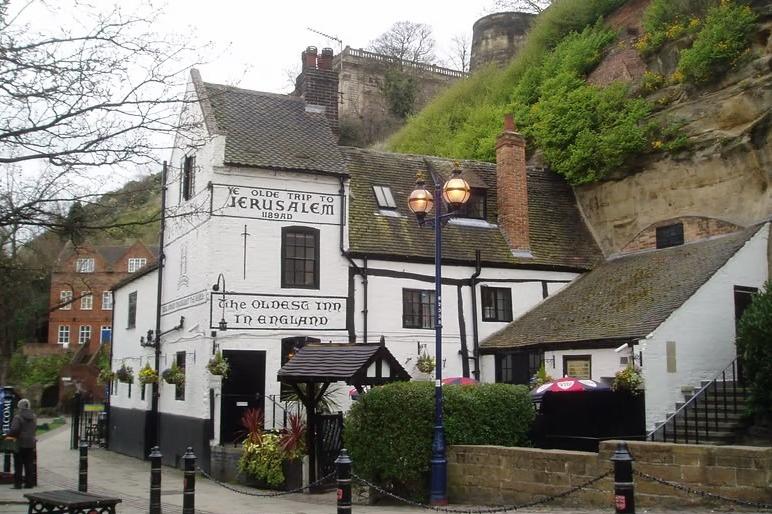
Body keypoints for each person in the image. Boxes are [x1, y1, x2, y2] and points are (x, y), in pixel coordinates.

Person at [6, 398, 36, 489]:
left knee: (18, 464)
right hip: (31, 443)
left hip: (20, 443)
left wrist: (8, 434)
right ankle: (29, 483)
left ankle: (18, 484)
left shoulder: (18, 417)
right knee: (29, 464)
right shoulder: (34, 417)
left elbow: (14, 429)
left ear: (20, 407)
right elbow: (34, 428)